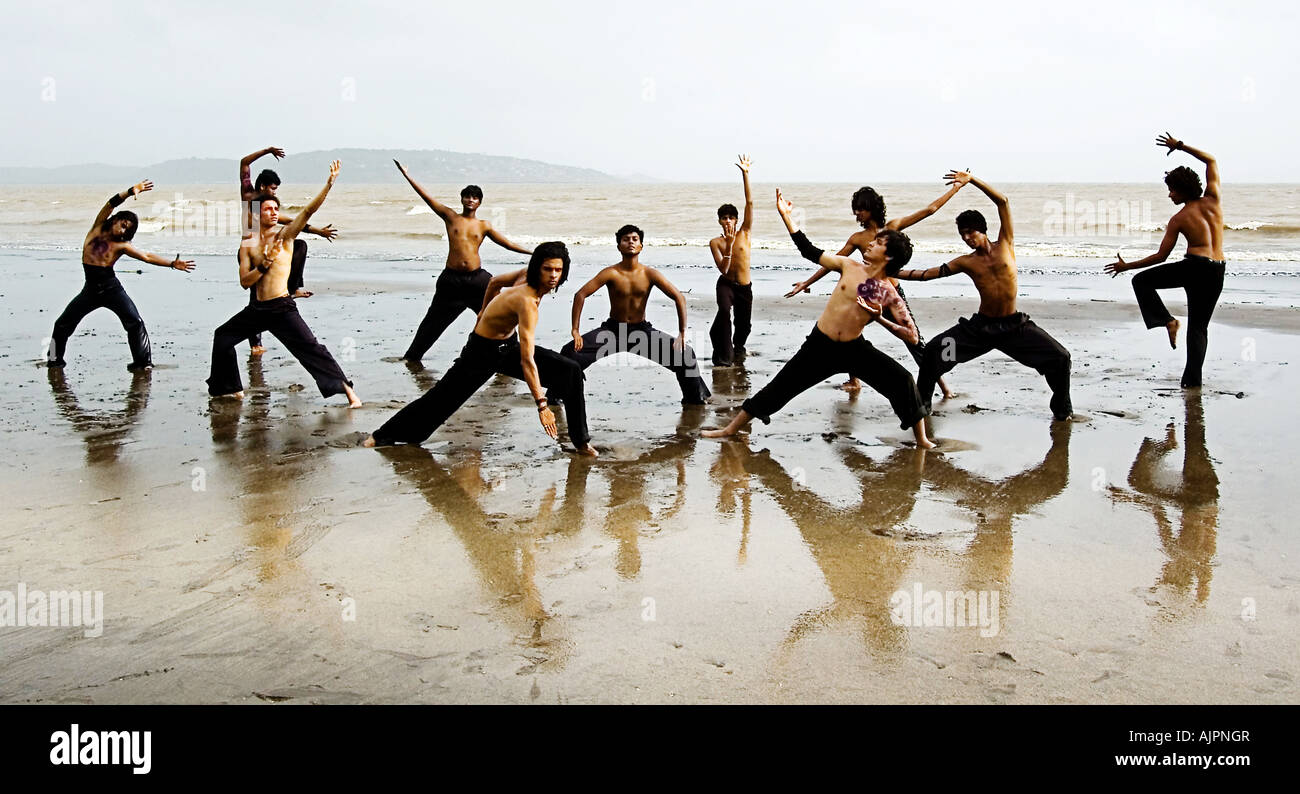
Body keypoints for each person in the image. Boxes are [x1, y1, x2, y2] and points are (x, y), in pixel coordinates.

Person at [704, 190, 933, 448]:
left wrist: (880, 319)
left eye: (878, 243)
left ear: (888, 256)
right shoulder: (849, 266)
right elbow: (809, 251)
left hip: (854, 350)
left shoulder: (886, 292)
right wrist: (787, 217)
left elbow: (912, 335)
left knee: (902, 380)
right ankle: (731, 429)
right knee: (780, 387)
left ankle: (922, 440)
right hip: (820, 346)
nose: (870, 243)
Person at [364, 242, 598, 456]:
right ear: (537, 268)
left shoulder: (525, 277)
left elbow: (494, 282)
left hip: (507, 346)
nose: (553, 276)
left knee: (571, 370)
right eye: (548, 269)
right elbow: (528, 360)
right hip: (482, 352)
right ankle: (381, 436)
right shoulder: (527, 302)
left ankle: (581, 443)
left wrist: (482, 312)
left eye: (558, 270)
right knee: (441, 399)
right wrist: (541, 405)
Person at [894, 172, 1073, 421]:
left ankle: (1063, 410)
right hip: (979, 331)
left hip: (1014, 328)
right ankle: (922, 405)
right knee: (935, 350)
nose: (967, 238)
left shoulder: (1006, 244)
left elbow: (1003, 203)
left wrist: (972, 180)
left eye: (970, 232)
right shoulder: (966, 262)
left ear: (982, 230)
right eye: (962, 235)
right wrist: (893, 272)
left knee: (1060, 357)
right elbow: (927, 274)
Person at [785, 175, 971, 396]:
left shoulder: (892, 229)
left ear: (872, 208)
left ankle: (944, 387)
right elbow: (831, 262)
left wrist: (957, 189)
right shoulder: (857, 238)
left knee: (915, 342)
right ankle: (854, 380)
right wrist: (807, 282)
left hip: (890, 293)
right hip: (865, 290)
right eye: (855, 209)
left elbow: (930, 210)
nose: (856, 214)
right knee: (849, 329)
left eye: (860, 209)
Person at [207, 160, 361, 407]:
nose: (274, 213)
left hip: (281, 308)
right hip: (258, 309)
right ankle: (231, 388)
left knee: (311, 349)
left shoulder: (285, 236)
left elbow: (307, 212)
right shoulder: (248, 242)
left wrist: (329, 184)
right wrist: (263, 265)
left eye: (276, 209)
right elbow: (245, 282)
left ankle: (348, 391)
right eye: (268, 209)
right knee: (222, 337)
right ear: (257, 213)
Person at [1104, 133, 1225, 388]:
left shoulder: (1179, 219)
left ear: (1181, 190)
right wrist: (1180, 147)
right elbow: (1211, 161)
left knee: (1141, 281)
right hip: (1217, 270)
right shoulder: (1214, 201)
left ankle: (1167, 320)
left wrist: (1127, 266)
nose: (1169, 195)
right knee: (1199, 328)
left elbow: (1161, 256)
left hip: (1194, 267)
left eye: (1171, 190)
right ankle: (1192, 383)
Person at [394, 160, 534, 365]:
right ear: (461, 199)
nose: (470, 200)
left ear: (479, 202)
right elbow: (427, 197)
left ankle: (511, 355)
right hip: (451, 281)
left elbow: (507, 244)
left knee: (497, 314)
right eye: (467, 196)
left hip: (477, 281)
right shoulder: (450, 217)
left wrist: (533, 253)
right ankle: (412, 357)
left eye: (475, 197)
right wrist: (407, 176)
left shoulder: (484, 225)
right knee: (432, 321)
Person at [553, 224, 709, 405]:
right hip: (612, 332)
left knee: (685, 355)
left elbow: (678, 297)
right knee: (569, 352)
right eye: (626, 240)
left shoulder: (650, 274)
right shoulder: (611, 273)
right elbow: (580, 294)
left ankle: (695, 398)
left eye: (635, 239)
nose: (630, 243)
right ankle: (555, 396)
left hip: (640, 332)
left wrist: (682, 332)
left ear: (641, 246)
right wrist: (575, 330)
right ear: (619, 246)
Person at [48, 180, 195, 370]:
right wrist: (130, 191)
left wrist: (172, 264)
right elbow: (110, 204)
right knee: (62, 324)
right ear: (115, 219)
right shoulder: (98, 227)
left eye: (127, 229)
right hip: (90, 289)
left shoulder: (122, 246)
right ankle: (53, 359)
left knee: (135, 322)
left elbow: (146, 256)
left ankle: (143, 363)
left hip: (111, 288)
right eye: (123, 224)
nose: (123, 229)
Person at [238, 146, 339, 355]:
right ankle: (255, 342)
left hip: (269, 248)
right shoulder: (250, 197)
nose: (275, 194)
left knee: (299, 246)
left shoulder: (268, 207)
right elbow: (244, 163)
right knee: (255, 296)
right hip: (250, 250)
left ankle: (293, 288)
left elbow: (294, 222)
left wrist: (317, 231)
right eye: (273, 189)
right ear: (264, 186)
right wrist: (267, 151)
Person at [708, 155, 754, 366]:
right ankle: (724, 358)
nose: (727, 221)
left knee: (744, 325)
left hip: (744, 287)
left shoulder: (745, 232)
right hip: (726, 284)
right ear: (719, 221)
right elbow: (723, 269)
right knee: (725, 312)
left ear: (736, 220)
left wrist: (745, 174)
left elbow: (750, 202)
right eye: (724, 218)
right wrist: (728, 245)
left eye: (731, 217)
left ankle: (739, 346)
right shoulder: (716, 242)